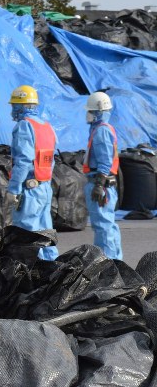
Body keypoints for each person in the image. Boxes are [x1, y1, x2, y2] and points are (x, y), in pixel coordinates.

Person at [5, 85, 59, 260]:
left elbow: (23, 160)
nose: (13, 109)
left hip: (30, 190)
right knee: (45, 232)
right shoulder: (45, 126)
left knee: (26, 233)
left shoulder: (24, 126)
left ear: (22, 106)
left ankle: (31, 273)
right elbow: (50, 159)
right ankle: (53, 267)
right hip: (44, 187)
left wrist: (13, 189)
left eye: (15, 105)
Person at [82, 91, 123, 260]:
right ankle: (115, 262)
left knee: (103, 227)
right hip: (106, 184)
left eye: (91, 111)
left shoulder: (101, 132)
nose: (88, 114)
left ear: (98, 111)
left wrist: (99, 184)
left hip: (101, 185)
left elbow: (105, 161)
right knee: (108, 227)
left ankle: (107, 264)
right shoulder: (104, 129)